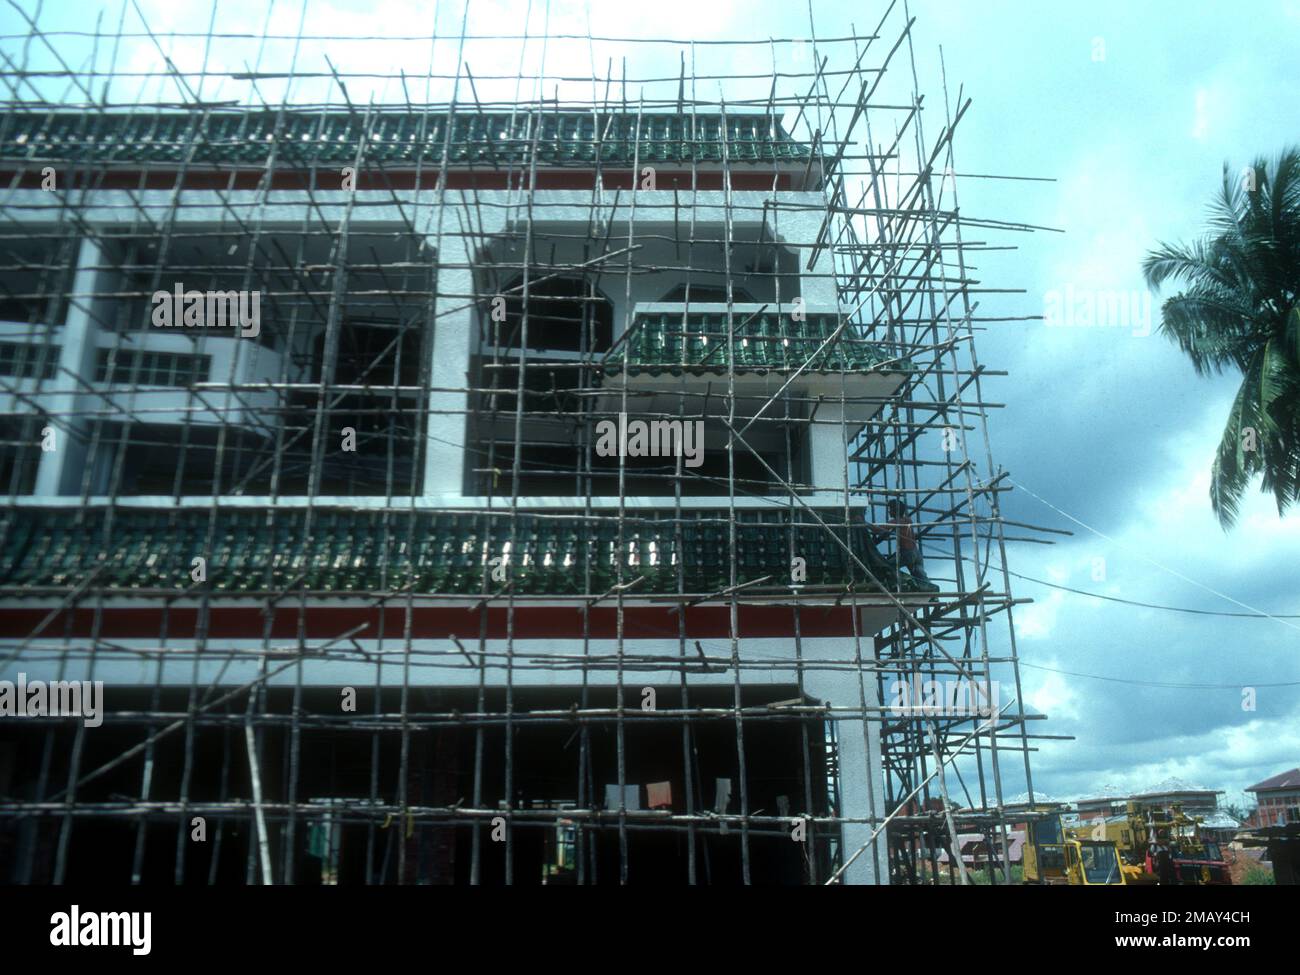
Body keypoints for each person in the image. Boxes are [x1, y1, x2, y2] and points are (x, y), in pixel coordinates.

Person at [883, 499, 929, 583]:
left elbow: (878, 529)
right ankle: (930, 592)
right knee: (921, 577)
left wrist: (864, 523)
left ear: (895, 510)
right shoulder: (908, 520)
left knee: (886, 566)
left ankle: (899, 583)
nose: (889, 512)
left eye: (890, 509)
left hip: (906, 554)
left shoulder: (896, 521)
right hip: (916, 552)